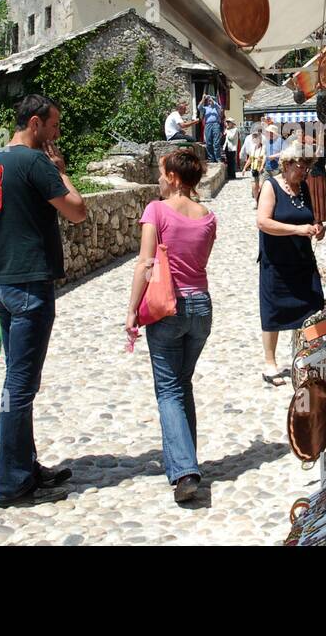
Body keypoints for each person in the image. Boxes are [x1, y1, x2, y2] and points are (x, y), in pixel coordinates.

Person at [0, 94, 88, 508]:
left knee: (20, 382)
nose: (56, 135)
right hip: (29, 286)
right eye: (54, 126)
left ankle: (26, 465)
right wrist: (63, 172)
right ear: (36, 123)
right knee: (19, 389)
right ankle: (11, 484)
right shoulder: (36, 162)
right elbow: (77, 211)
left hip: (2, 286)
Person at [125, 147, 217, 504]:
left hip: (168, 309)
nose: (160, 180)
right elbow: (199, 260)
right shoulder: (208, 216)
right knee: (182, 383)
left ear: (175, 178)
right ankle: (186, 460)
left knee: (168, 389)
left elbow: (146, 264)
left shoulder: (156, 210)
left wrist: (132, 310)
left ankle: (184, 471)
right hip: (201, 308)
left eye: (163, 173)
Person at [256, 138, 325, 386]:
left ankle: (311, 356)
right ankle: (270, 362)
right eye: (301, 166)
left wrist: (317, 228)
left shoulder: (303, 187)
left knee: (314, 304)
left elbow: (310, 217)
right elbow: (263, 222)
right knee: (273, 310)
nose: (304, 171)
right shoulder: (271, 186)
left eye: (307, 167)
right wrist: (297, 230)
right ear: (287, 163)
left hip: (303, 259)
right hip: (276, 261)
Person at [243, 128, 266, 203]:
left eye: (256, 137)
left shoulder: (264, 148)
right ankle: (257, 202)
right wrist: (244, 168)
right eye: (253, 137)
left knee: (261, 186)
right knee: (254, 187)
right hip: (254, 169)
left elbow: (265, 158)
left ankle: (262, 201)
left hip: (261, 171)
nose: (254, 139)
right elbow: (250, 159)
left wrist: (262, 165)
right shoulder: (252, 148)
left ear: (260, 138)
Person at [199, 94, 224, 164]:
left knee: (216, 142)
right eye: (209, 101)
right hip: (208, 125)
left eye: (211, 100)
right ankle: (211, 158)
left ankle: (218, 158)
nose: (210, 101)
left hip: (216, 124)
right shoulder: (206, 108)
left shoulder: (217, 107)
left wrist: (213, 100)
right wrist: (203, 99)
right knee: (208, 142)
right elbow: (199, 107)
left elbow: (219, 110)